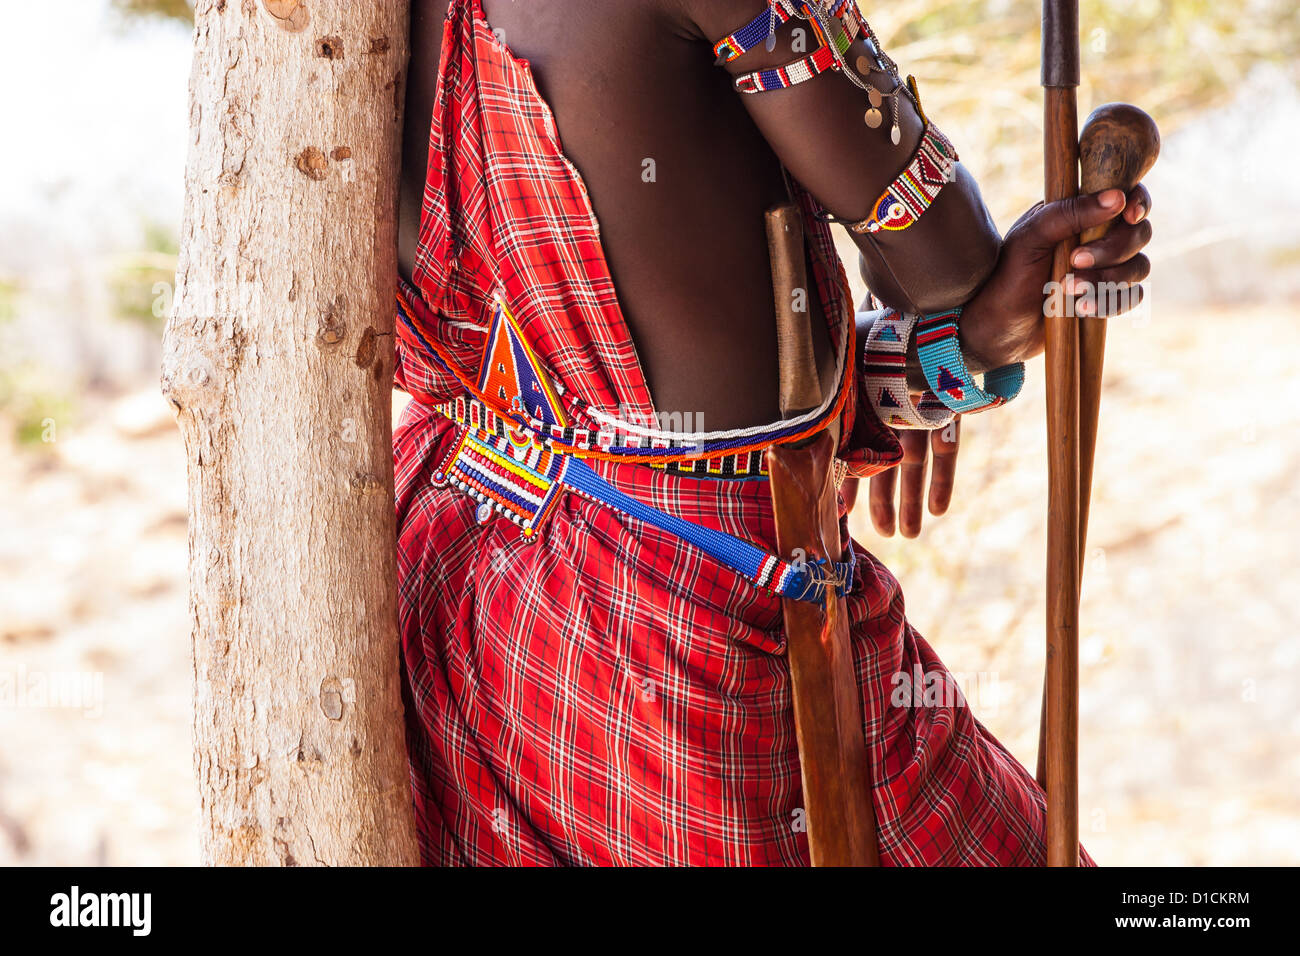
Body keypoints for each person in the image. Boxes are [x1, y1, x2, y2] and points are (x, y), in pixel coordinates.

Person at [392, 0, 1153, 865]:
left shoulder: (336, 32)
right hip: (688, 654)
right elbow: (949, 265)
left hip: (450, 600)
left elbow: (610, 415)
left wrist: (952, 356)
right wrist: (964, 311)